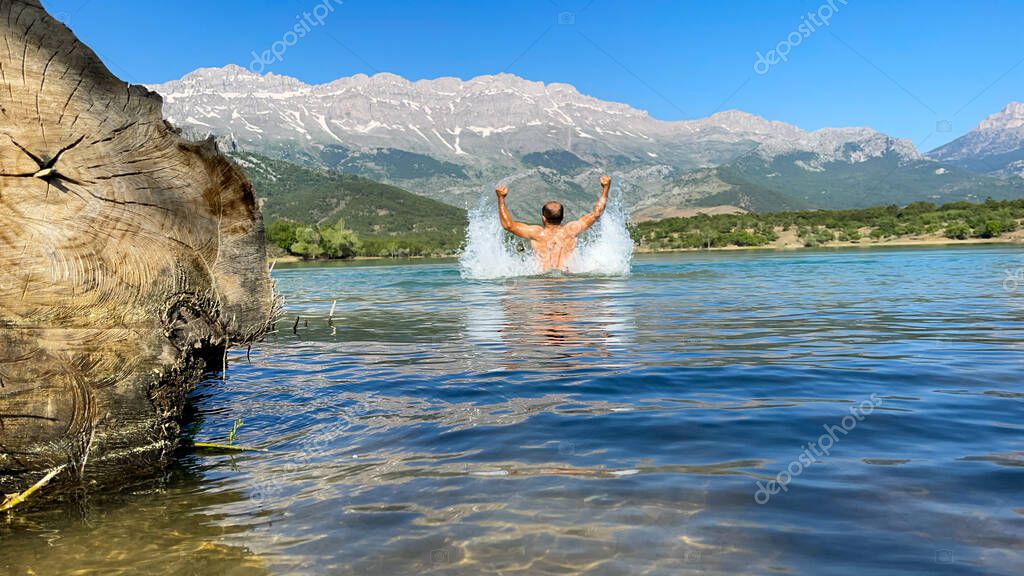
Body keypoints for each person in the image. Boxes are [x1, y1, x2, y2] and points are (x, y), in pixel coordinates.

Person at [495, 175, 611, 272]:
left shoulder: (536, 233)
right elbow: (596, 213)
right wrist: (605, 188)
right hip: (568, 283)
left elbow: (508, 225)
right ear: (563, 217)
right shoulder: (571, 230)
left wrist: (501, 199)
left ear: (543, 218)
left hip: (544, 282)